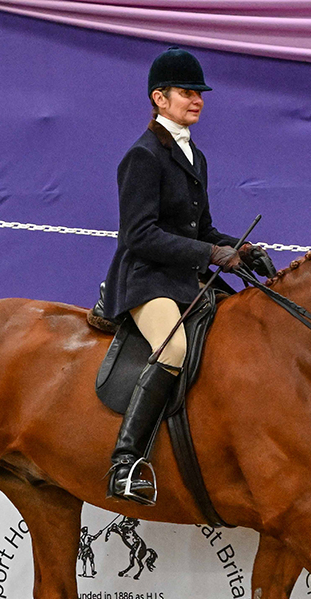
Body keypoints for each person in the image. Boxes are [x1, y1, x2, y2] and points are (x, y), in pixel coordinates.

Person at [97, 47, 273, 505]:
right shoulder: (143, 156)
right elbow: (139, 235)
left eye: (199, 93)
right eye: (186, 92)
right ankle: (125, 461)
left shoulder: (195, 156)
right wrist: (210, 253)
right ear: (159, 98)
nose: (197, 100)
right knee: (173, 347)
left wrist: (241, 249)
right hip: (147, 278)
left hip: (185, 278)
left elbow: (202, 229)